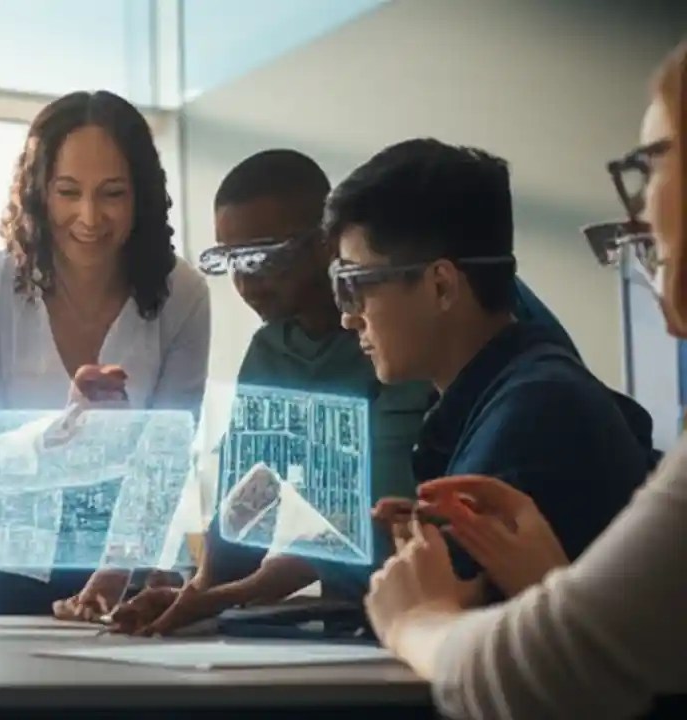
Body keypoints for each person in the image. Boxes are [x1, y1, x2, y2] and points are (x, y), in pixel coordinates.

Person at [109, 150, 579, 635]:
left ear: (324, 244)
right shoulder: (277, 353)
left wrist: (230, 596)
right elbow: (257, 503)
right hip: (384, 621)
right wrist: (201, 594)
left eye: (265, 258)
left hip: (447, 625)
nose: (245, 282)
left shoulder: (495, 373)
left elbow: (417, 544)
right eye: (231, 261)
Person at [365, 41, 687, 719]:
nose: (640, 207)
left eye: (650, 164)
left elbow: (538, 671)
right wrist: (556, 585)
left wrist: (414, 618)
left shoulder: (535, 401)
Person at [326, 137, 655, 607]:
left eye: (355, 285)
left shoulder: (533, 415)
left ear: (441, 286)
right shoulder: (517, 393)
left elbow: (460, 630)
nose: (348, 317)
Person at [0, 90, 211, 616]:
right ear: (38, 193)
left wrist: (117, 567)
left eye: (112, 193)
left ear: (143, 194)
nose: (89, 217)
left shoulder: (183, 294)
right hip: (5, 564)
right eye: (68, 192)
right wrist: (57, 431)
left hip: (132, 567)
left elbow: (166, 455)